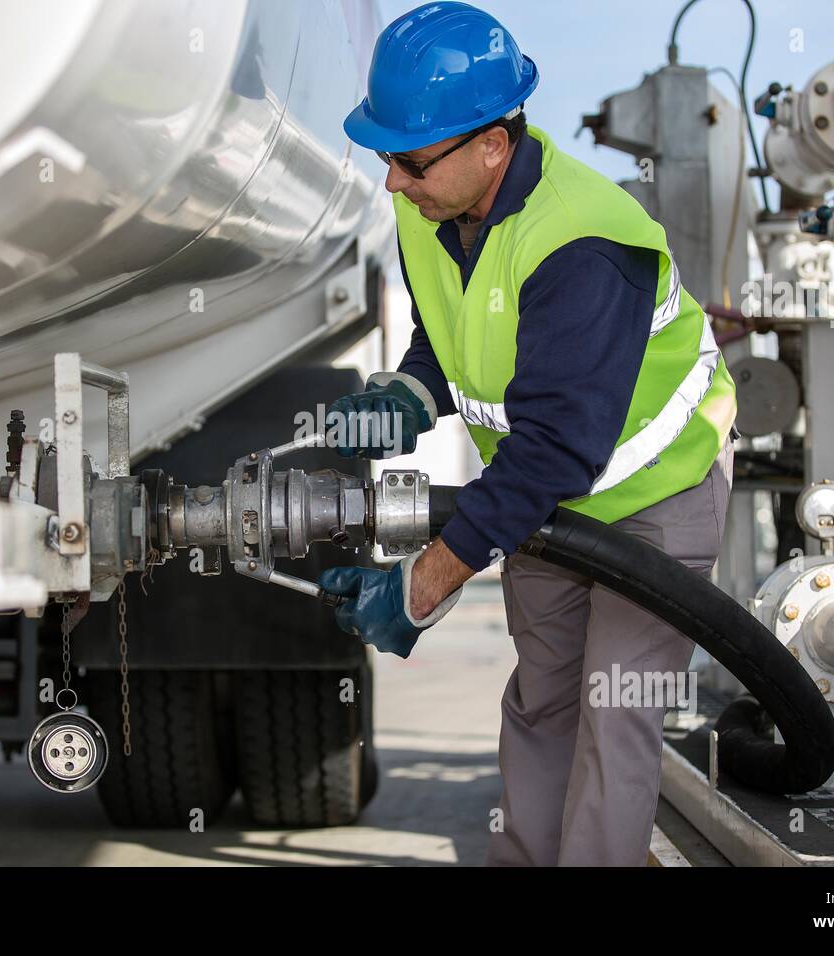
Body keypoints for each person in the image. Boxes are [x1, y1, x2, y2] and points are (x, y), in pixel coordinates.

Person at [316, 1, 739, 866]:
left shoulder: (584, 242)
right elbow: (451, 324)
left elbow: (558, 447)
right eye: (385, 156)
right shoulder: (431, 200)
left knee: (614, 712)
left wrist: (422, 585)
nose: (391, 181)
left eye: (406, 160)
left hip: (660, 489)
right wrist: (411, 390)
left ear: (493, 147)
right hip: (541, 499)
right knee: (542, 702)